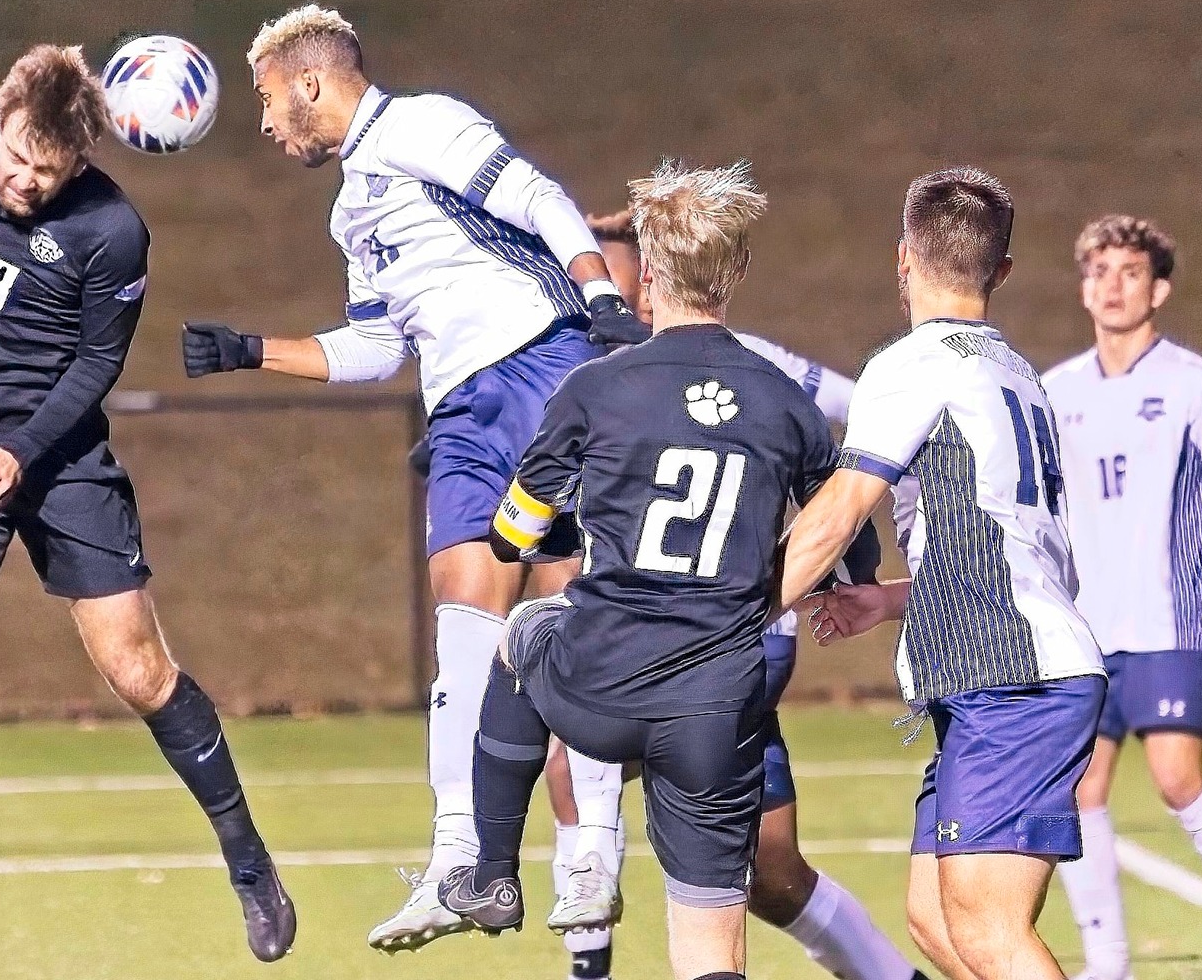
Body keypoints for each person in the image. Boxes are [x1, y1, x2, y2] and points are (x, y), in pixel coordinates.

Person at [180, 3, 648, 952]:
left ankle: (592, 853)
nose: (264, 123)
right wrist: (249, 350)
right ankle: (456, 863)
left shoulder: (424, 123)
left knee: (567, 614)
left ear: (312, 82)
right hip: (461, 409)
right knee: (462, 624)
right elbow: (378, 347)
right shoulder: (349, 209)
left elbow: (537, 197)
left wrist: (599, 292)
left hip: (539, 364)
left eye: (267, 99)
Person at [0, 44, 295, 962]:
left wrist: (21, 450)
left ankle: (248, 860)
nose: (22, 180)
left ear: (81, 160)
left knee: (137, 670)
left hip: (60, 459)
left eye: (45, 172)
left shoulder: (113, 231)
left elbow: (96, 363)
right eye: (15, 158)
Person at [441, 161, 860, 980]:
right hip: (716, 704)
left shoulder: (596, 384)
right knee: (709, 950)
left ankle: (491, 872)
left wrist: (569, 525)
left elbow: (513, 534)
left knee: (523, 631)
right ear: (736, 272)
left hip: (602, 686)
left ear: (651, 278)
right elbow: (842, 532)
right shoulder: (784, 398)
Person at [544, 211, 923, 980]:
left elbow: (863, 409)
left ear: (654, 276)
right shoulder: (593, 369)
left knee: (573, 757)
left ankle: (590, 940)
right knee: (773, 873)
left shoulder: (744, 367)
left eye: (615, 275)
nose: (606, 294)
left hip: (723, 634)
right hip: (716, 644)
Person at [787, 168, 1106, 980]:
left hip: (1012, 680)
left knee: (988, 928)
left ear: (904, 256)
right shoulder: (1016, 372)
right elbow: (1024, 552)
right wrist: (890, 599)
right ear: (1001, 271)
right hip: (1009, 669)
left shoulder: (915, 363)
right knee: (936, 919)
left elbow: (835, 515)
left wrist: (721, 617)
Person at [1042, 215, 1202, 980]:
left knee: (1177, 778)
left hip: (1170, 619)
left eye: (1130, 271)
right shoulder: (1056, 392)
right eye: (1099, 271)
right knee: (1080, 789)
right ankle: (1108, 964)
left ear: (1158, 289)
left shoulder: (1192, 384)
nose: (1112, 286)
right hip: (1085, 627)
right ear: (1083, 289)